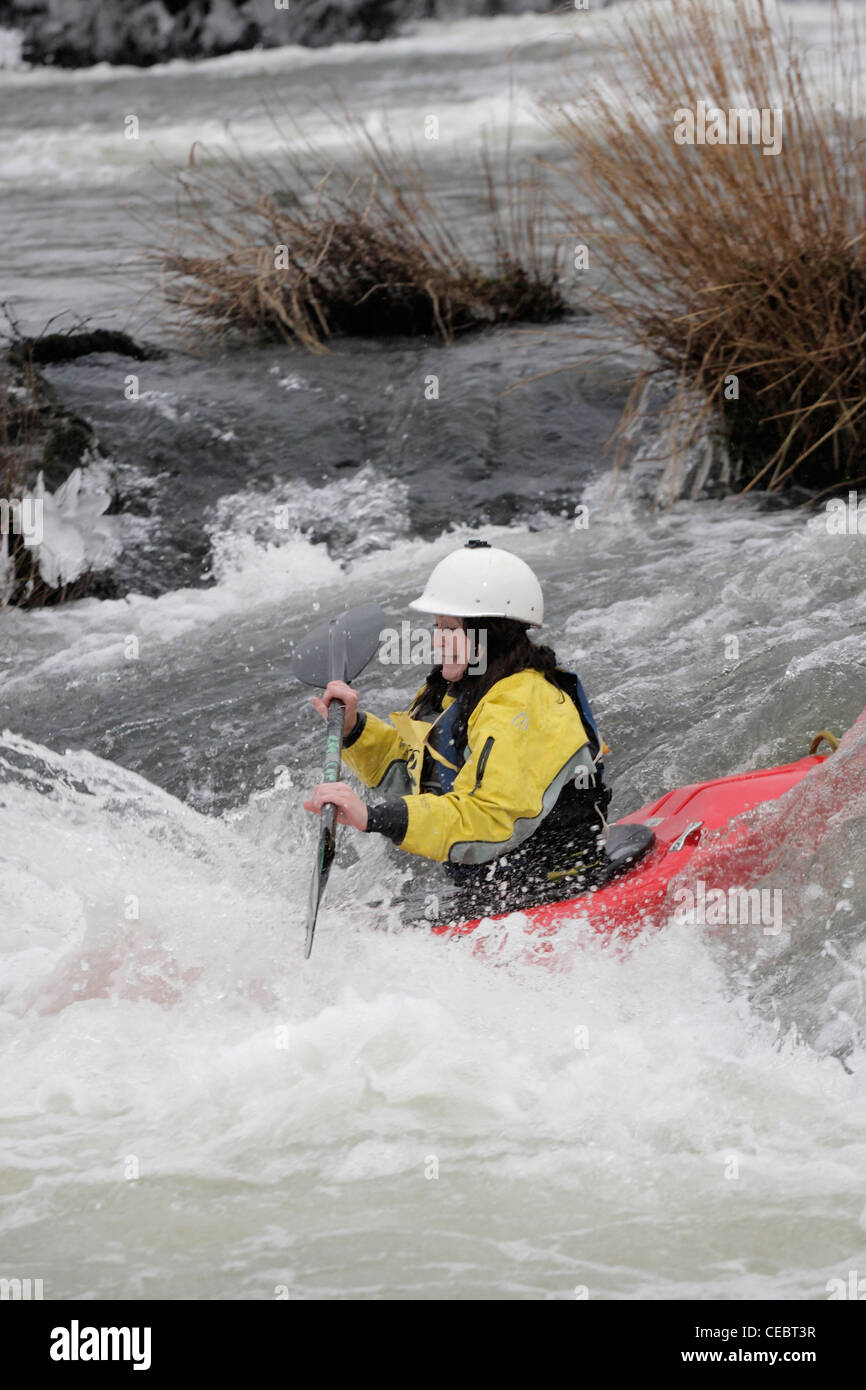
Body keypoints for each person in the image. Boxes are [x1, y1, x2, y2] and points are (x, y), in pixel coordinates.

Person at [303, 540, 613, 922]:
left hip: (555, 886)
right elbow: (415, 777)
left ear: (489, 634)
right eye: (436, 627)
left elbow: (490, 819)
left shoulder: (524, 705)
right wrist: (353, 729)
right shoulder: (457, 691)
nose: (436, 640)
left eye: (449, 629)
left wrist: (372, 816)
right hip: (494, 887)